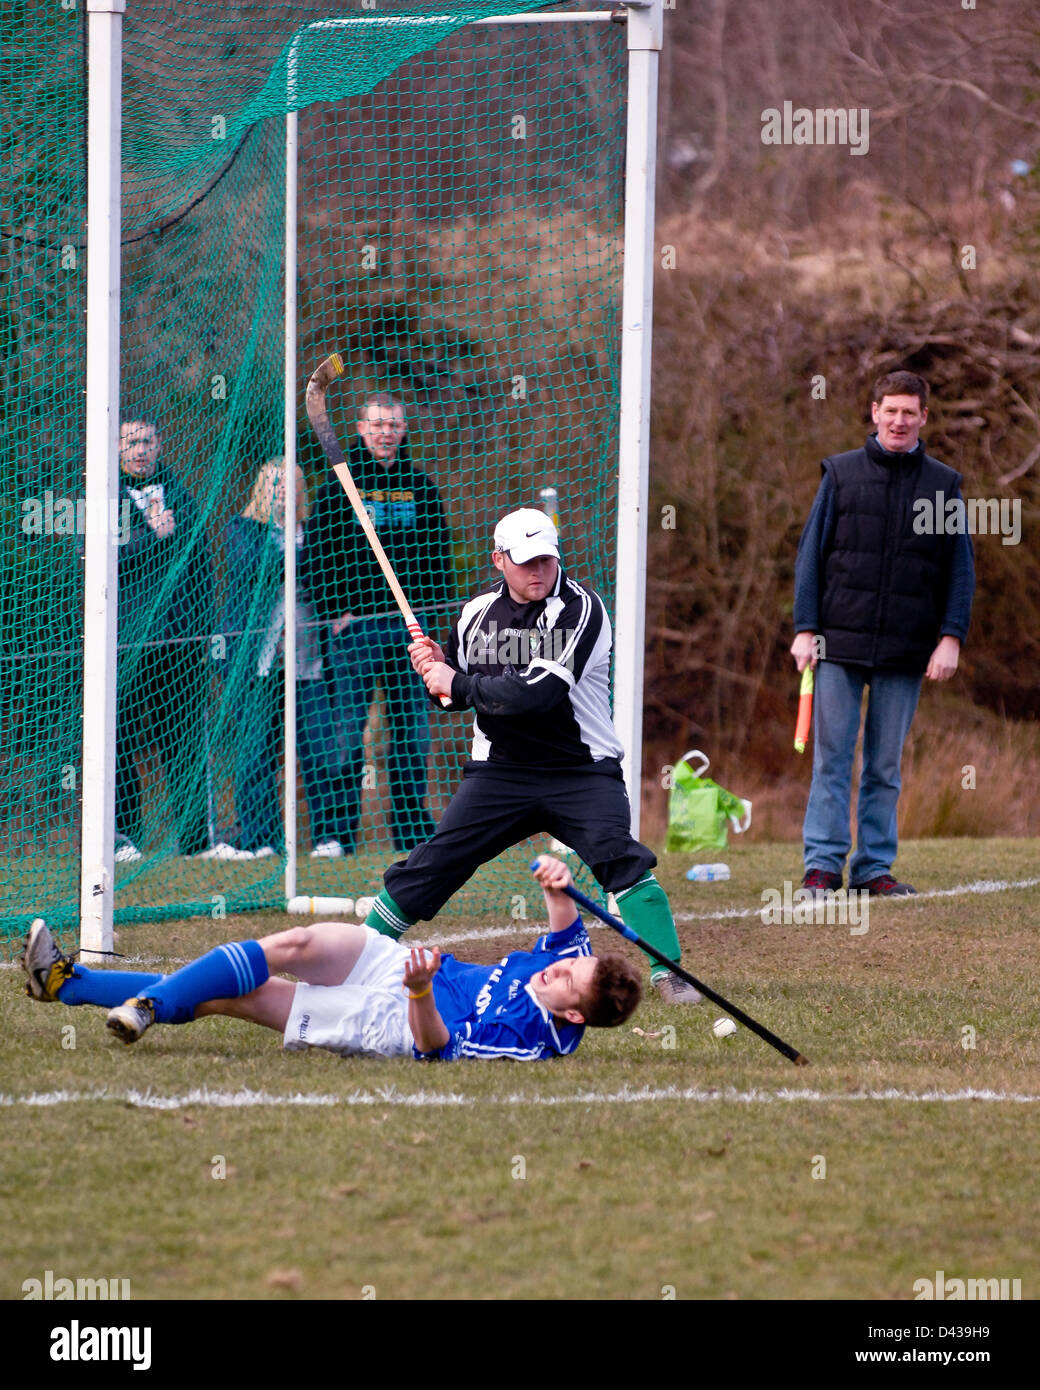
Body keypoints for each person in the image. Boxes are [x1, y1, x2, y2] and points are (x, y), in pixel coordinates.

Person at [360, 507, 702, 1004]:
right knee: (433, 863)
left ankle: (668, 973)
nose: (539, 570)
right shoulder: (476, 614)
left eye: (545, 558)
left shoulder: (581, 609)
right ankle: (361, 952)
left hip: (580, 770)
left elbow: (535, 694)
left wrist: (456, 681)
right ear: (499, 560)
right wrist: (435, 668)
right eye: (525, 562)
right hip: (500, 772)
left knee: (619, 856)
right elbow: (455, 696)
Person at [19, 857, 642, 1060]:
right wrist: (556, 882)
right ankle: (146, 1003)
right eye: (570, 964)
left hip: (391, 1019)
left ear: (575, 1019)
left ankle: (67, 985)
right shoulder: (575, 965)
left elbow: (436, 1050)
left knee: (229, 998)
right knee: (294, 943)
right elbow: (566, 928)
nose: (557, 969)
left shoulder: (530, 1037)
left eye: (566, 981)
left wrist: (422, 992)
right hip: (396, 963)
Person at [791, 371, 975, 897]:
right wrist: (806, 629)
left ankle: (873, 870)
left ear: (923, 418)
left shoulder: (944, 485)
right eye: (890, 410)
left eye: (909, 412)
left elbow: (959, 572)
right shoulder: (841, 475)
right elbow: (811, 556)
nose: (899, 420)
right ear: (875, 412)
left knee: (885, 766)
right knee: (831, 760)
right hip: (837, 647)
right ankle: (822, 868)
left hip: (906, 650)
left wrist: (951, 637)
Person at [300, 393, 451, 856]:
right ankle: (335, 832)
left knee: (411, 732)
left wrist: (429, 613)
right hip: (355, 628)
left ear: (403, 430)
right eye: (377, 425)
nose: (386, 432)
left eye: (394, 425)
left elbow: (439, 558)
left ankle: (409, 830)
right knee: (346, 733)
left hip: (409, 628)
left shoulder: (422, 488)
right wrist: (335, 610)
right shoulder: (339, 488)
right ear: (362, 431)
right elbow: (316, 559)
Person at [207, 459, 350, 859]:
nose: (283, 491)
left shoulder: (317, 531)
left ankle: (328, 837)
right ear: (261, 490)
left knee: (321, 754)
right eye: (275, 484)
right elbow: (253, 569)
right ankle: (260, 838)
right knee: (256, 757)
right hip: (259, 665)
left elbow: (331, 577)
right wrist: (293, 559)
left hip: (310, 661)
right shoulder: (243, 529)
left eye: (291, 484)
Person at [114, 417, 213, 860]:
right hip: (125, 645)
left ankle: (195, 841)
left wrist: (205, 630)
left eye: (147, 441)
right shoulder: (100, 495)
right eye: (131, 441)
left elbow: (203, 568)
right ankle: (121, 837)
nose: (140, 449)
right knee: (117, 739)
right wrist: (149, 536)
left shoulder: (182, 493)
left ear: (159, 445)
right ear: (117, 448)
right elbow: (92, 559)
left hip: (182, 643)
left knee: (185, 740)